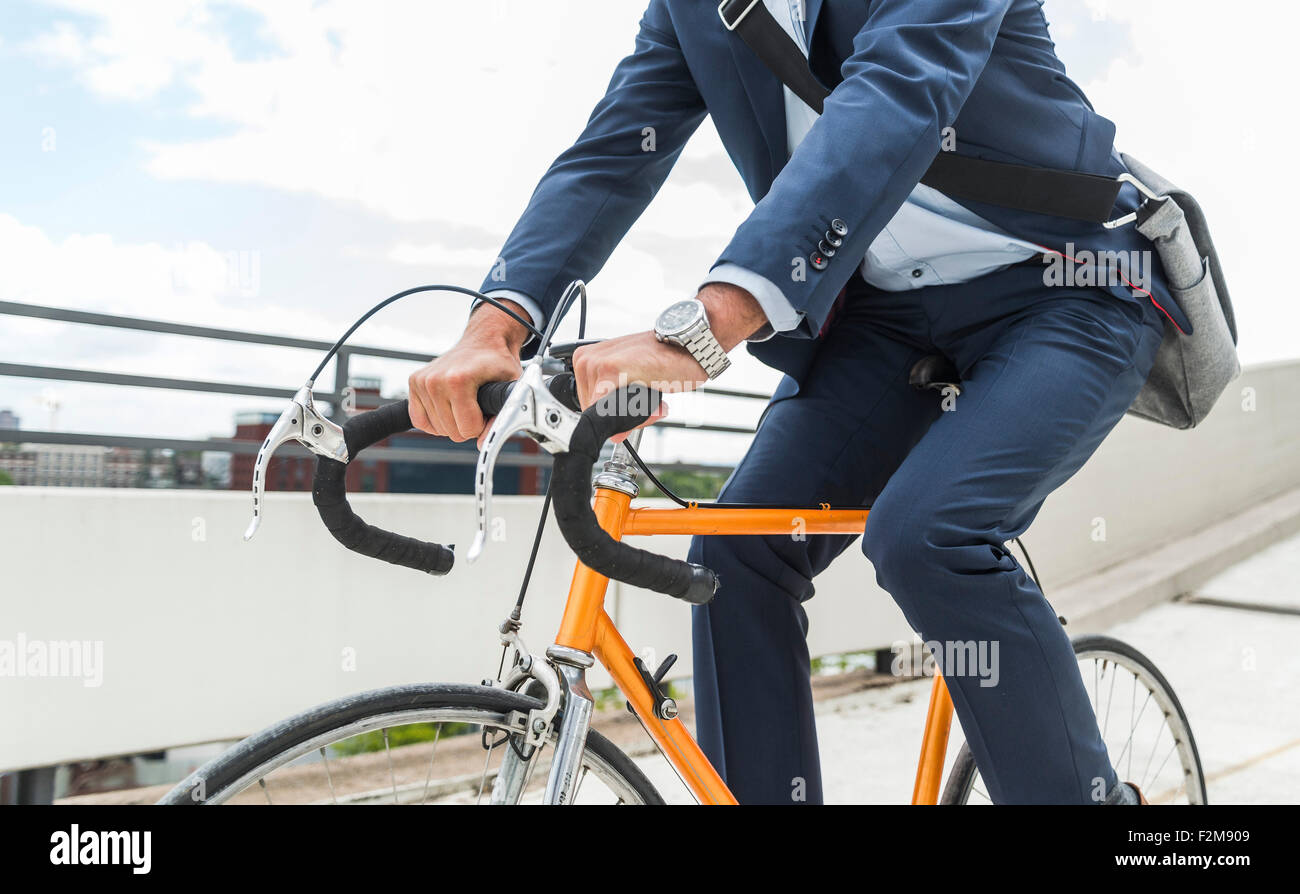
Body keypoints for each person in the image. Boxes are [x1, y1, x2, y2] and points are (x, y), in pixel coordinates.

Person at [407, 0, 1176, 804]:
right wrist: (495, 326)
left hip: (1063, 286)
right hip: (887, 318)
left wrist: (701, 328)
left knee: (929, 536)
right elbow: (609, 154)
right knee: (735, 556)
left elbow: (896, 95)